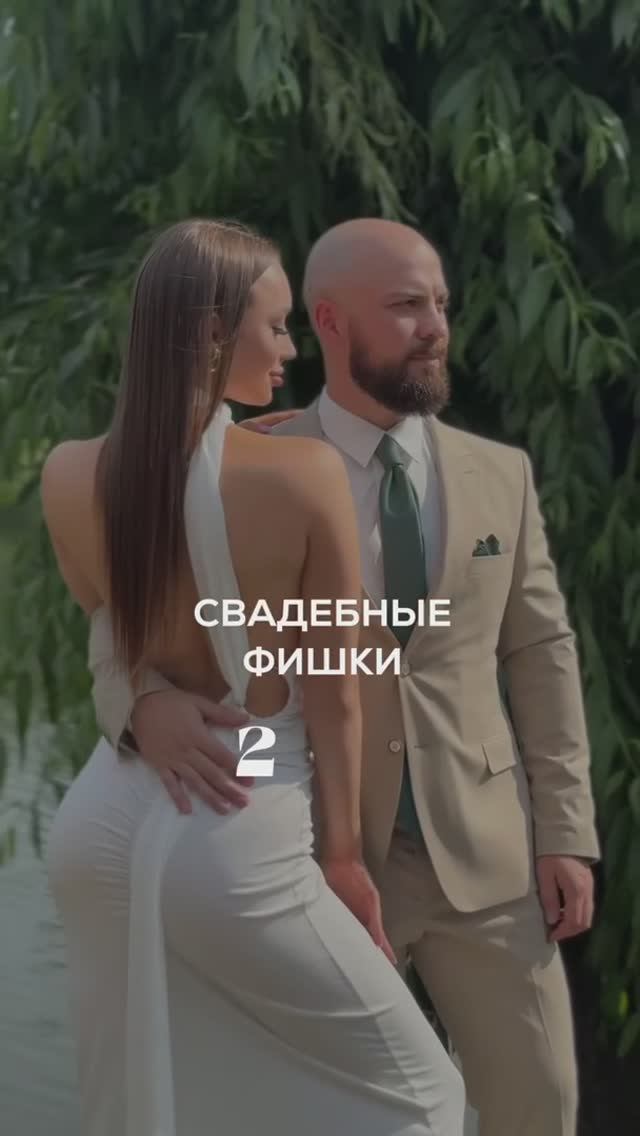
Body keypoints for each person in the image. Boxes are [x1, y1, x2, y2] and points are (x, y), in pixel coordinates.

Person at [89, 218, 602, 1136]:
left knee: (540, 1103)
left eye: (440, 303)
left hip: (485, 860)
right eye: (407, 306)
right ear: (328, 321)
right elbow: (125, 625)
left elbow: (541, 654)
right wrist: (142, 705)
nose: (436, 326)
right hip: (311, 854)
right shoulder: (246, 463)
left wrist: (566, 831)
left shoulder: (503, 475)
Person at [41, 218, 466, 1136]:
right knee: (426, 1095)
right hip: (236, 811)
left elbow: (113, 637)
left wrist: (145, 701)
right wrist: (343, 860)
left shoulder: (67, 473)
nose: (290, 350)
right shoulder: (304, 476)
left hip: (101, 819)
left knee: (163, 1099)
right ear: (209, 336)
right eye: (274, 327)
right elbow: (335, 692)